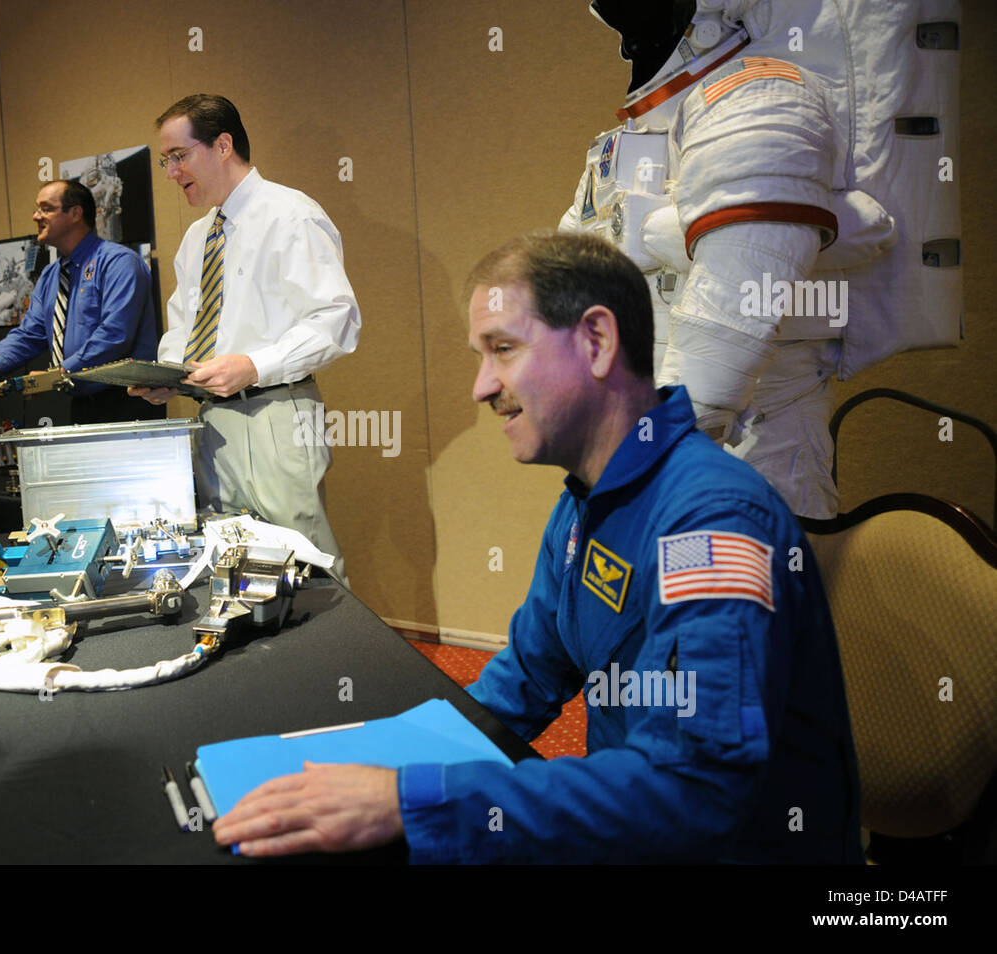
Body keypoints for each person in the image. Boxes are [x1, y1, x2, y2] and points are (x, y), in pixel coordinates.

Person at [212, 232, 862, 863]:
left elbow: (695, 787)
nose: (481, 386)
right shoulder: (590, 496)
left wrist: (413, 802)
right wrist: (380, 764)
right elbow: (528, 675)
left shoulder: (711, 521)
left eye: (502, 349)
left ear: (597, 340)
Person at [558, 0, 957, 520]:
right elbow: (567, 280)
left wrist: (651, 453)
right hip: (643, 450)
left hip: (744, 449)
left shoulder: (760, 96)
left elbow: (732, 311)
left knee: (734, 593)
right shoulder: (644, 132)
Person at [131, 94, 361, 582]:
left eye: (178, 156)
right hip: (212, 419)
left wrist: (255, 365)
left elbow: (336, 319)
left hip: (276, 413)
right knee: (237, 571)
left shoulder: (290, 214)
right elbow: (184, 327)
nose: (170, 172)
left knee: (305, 565)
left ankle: (336, 660)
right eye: (164, 160)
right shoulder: (198, 238)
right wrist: (168, 376)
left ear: (222, 145)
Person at [0, 179, 160, 425]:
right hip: (82, 405)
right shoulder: (51, 276)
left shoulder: (119, 262)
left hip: (128, 403)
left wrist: (59, 373)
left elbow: (114, 335)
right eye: (37, 208)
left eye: (46, 208)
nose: (36, 216)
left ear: (75, 213)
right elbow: (30, 333)